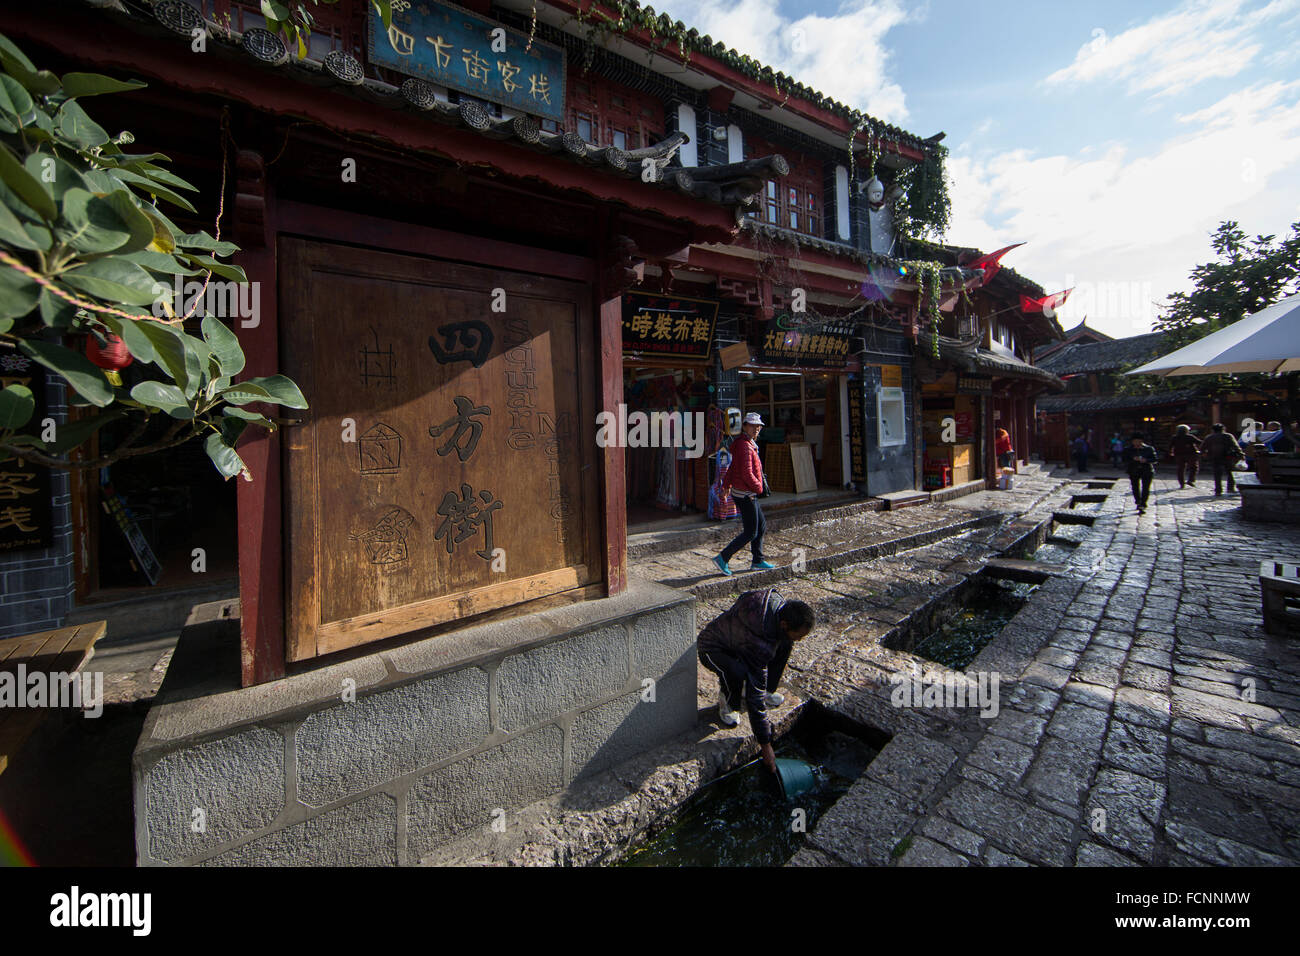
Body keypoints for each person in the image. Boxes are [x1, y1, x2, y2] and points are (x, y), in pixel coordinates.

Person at [697, 588, 815, 774]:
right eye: (799, 634)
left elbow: (744, 597)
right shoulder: (760, 644)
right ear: (784, 624)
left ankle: (770, 689)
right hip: (712, 647)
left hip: (738, 643)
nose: (800, 639)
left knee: (785, 643)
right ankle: (728, 702)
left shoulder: (775, 601)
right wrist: (765, 744)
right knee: (737, 672)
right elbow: (755, 698)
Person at [714, 412, 774, 575]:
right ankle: (723, 557)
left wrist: (726, 484)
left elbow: (733, 468)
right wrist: (759, 487)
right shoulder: (745, 446)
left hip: (746, 493)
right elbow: (746, 472)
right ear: (745, 426)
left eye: (758, 426)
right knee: (751, 531)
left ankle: (758, 560)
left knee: (760, 525)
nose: (757, 429)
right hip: (746, 494)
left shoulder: (746, 443)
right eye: (753, 426)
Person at [1200, 422, 1244, 496]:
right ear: (1223, 429)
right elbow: (1235, 446)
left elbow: (1202, 447)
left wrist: (1205, 454)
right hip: (1228, 456)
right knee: (1230, 473)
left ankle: (1218, 490)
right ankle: (1230, 488)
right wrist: (1241, 454)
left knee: (1217, 474)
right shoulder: (1228, 436)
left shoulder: (1209, 437)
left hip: (1215, 457)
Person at [1123, 431, 1159, 514]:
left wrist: (1146, 460)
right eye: (1135, 441)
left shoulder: (1149, 449)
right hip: (1133, 470)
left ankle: (1143, 503)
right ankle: (1138, 501)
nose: (1137, 443)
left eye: (1138, 441)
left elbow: (1155, 459)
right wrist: (1133, 459)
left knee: (1145, 488)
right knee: (1135, 487)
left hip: (1146, 470)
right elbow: (1124, 459)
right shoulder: (1128, 449)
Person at [1169, 424, 1201, 488]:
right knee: (1194, 467)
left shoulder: (1174, 437)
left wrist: (1170, 452)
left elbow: (1170, 446)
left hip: (1178, 454)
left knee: (1180, 469)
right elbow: (1199, 442)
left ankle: (1181, 483)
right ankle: (1191, 480)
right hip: (1190, 454)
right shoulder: (1190, 437)